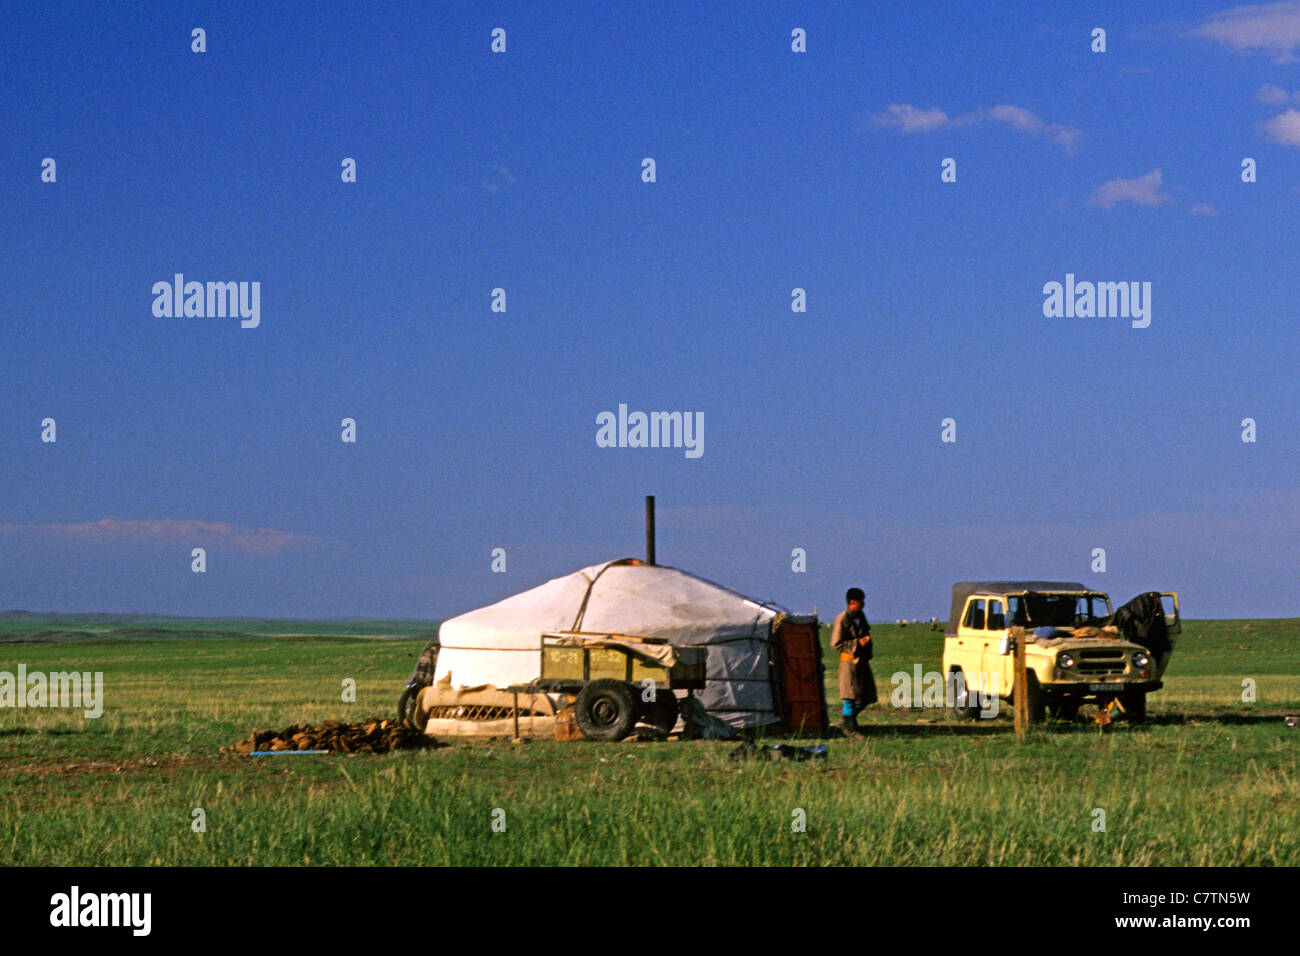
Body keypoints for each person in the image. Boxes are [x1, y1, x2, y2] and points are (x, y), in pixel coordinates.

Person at [831, 587, 877, 737]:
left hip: (862, 661)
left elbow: (865, 632)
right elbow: (836, 643)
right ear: (853, 602)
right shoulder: (842, 619)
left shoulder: (861, 616)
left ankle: (847, 721)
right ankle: (849, 727)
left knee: (866, 695)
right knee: (850, 696)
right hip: (849, 662)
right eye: (861, 601)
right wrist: (858, 643)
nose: (864, 603)